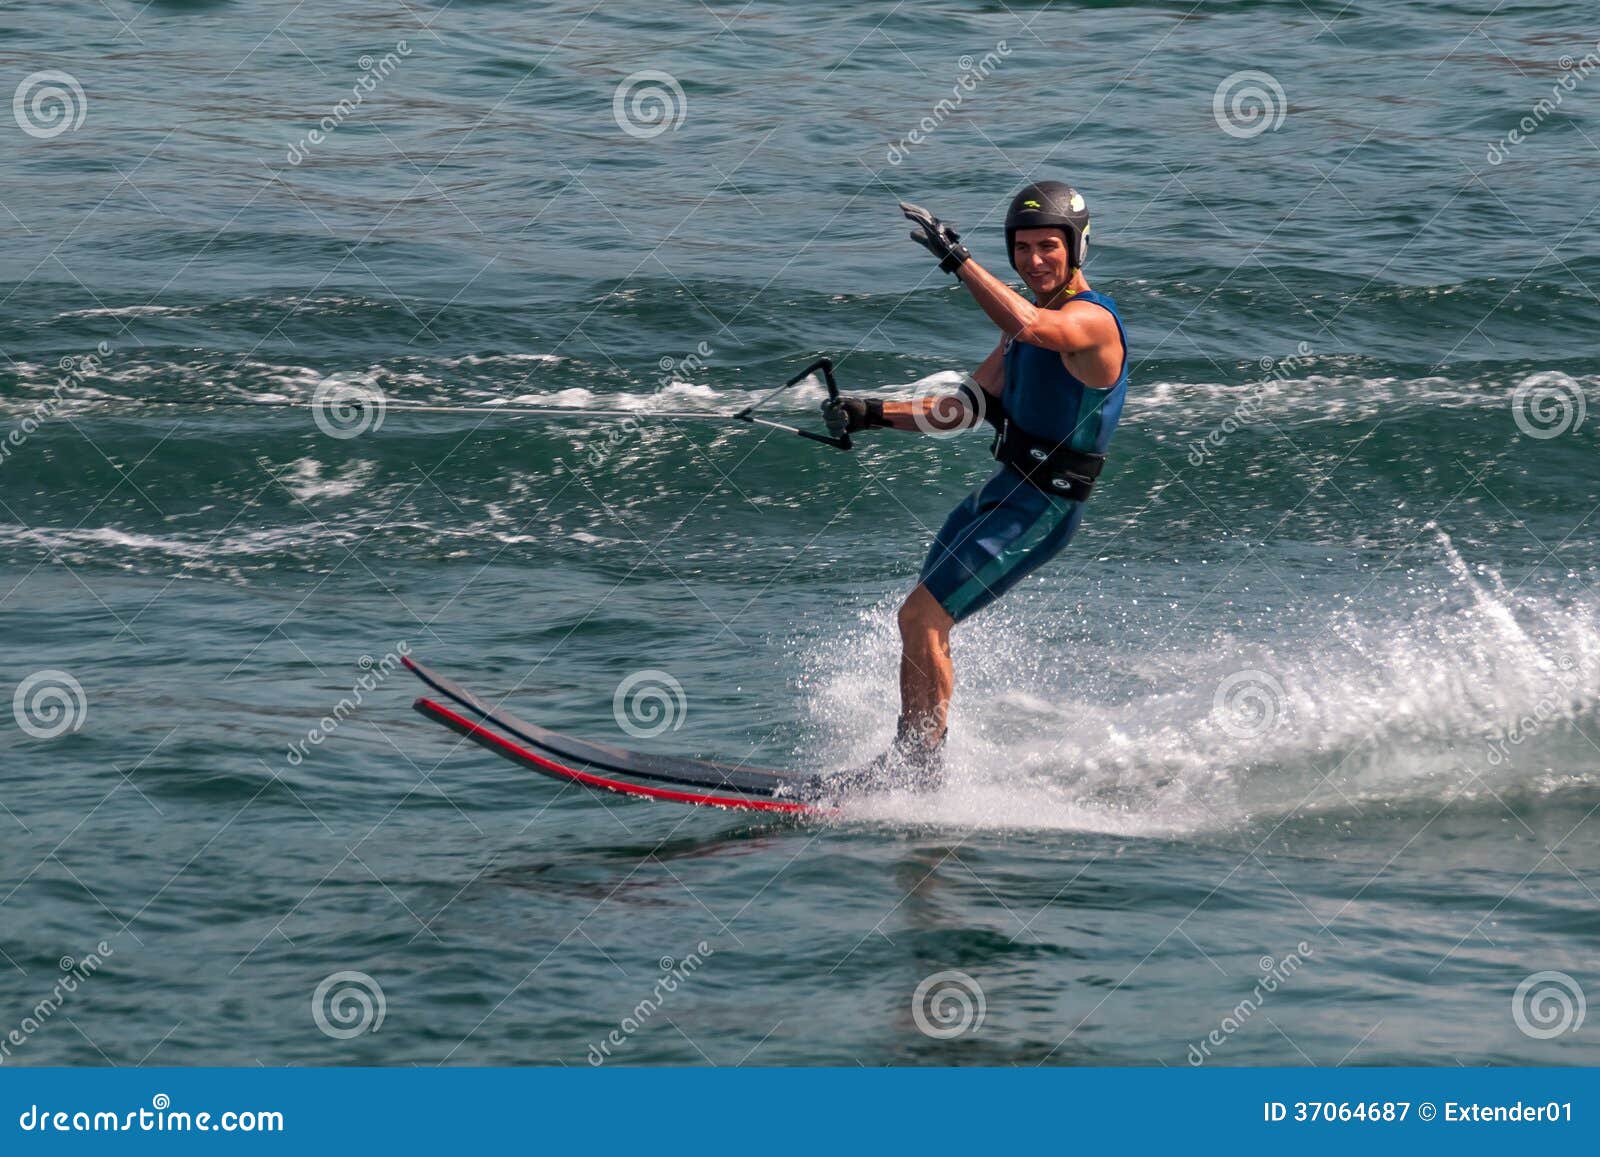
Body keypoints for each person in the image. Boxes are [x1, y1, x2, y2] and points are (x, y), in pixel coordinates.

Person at [817, 180, 1129, 795]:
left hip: (1043, 504)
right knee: (921, 623)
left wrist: (958, 262)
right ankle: (916, 760)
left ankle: (914, 774)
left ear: (1076, 248)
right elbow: (965, 408)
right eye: (1022, 247)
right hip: (1004, 490)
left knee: (922, 616)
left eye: (1049, 247)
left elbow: (1040, 328)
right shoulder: (1020, 332)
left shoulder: (1092, 321)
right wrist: (872, 412)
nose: (1035, 260)